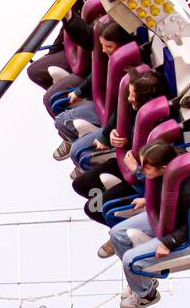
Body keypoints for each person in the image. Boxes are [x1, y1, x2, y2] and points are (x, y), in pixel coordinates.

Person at [107, 142, 190, 308]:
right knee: (117, 233)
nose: (143, 171)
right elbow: (163, 190)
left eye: (146, 169)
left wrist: (168, 242)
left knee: (130, 260)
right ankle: (144, 281)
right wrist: (148, 200)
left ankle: (147, 294)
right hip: (165, 217)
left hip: (187, 237)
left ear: (163, 168)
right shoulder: (169, 166)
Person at [72, 69, 169, 232]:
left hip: (141, 180)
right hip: (124, 164)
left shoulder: (161, 130)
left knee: (93, 209)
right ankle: (107, 193)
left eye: (133, 96)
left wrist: (137, 170)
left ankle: (118, 226)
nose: (129, 98)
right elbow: (121, 116)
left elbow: (161, 178)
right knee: (81, 184)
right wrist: (111, 135)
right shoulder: (133, 107)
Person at [50, 22, 136, 161]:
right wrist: (80, 91)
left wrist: (105, 136)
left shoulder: (131, 71)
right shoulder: (112, 60)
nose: (103, 50)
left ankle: (97, 151)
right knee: (61, 121)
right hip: (105, 107)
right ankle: (84, 139)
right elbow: (98, 73)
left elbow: (123, 108)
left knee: (77, 152)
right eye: (102, 45)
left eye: (108, 46)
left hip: (118, 120)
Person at [29, 0, 99, 91]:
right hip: (75, 51)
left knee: (49, 98)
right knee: (34, 71)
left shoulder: (101, 8)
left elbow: (88, 39)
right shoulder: (78, 2)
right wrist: (51, 53)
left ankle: (76, 93)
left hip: (89, 59)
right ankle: (64, 88)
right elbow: (63, 33)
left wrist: (70, 18)